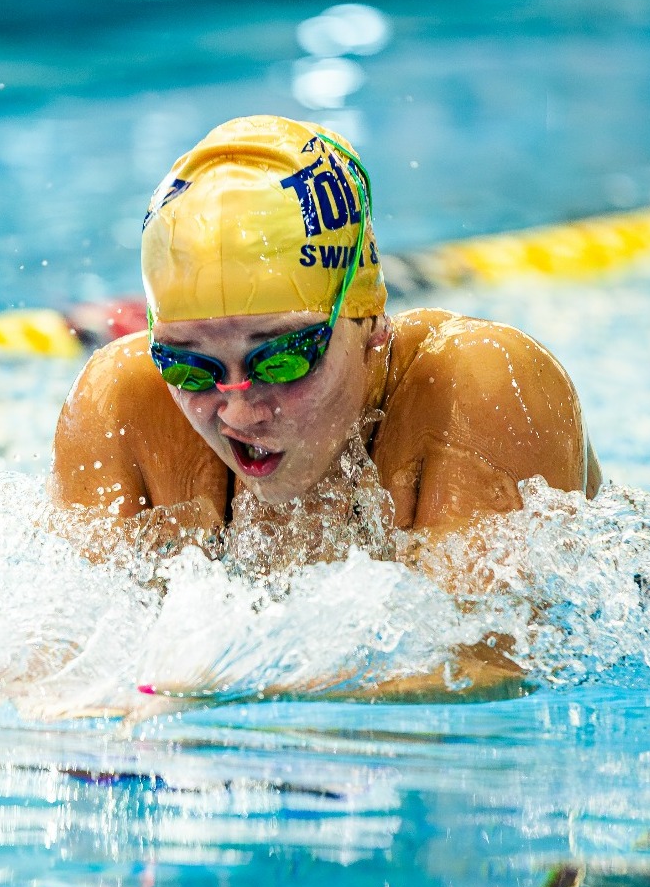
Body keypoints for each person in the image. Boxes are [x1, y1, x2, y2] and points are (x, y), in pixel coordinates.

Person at [49, 115, 600, 700]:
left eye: (284, 359)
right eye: (190, 367)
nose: (239, 415)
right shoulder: (123, 404)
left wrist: (214, 699)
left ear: (369, 319)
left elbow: (480, 674)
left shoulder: (481, 384)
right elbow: (48, 670)